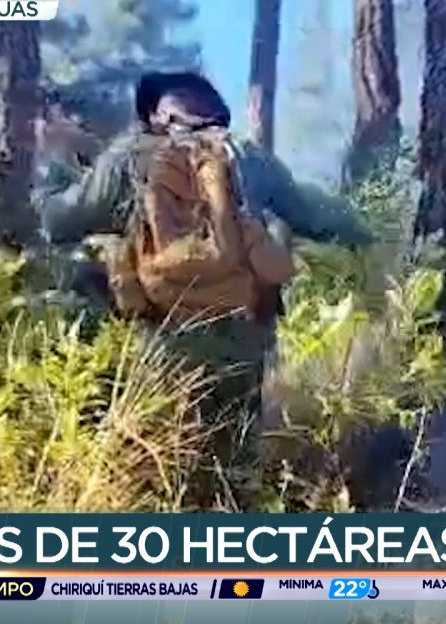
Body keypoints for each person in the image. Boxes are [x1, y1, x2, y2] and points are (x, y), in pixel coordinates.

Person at [38, 72, 370, 510]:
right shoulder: (247, 155)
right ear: (215, 113)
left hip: (164, 346)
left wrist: (55, 169)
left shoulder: (128, 157)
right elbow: (317, 215)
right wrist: (369, 233)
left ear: (158, 115)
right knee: (232, 472)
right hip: (243, 344)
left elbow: (58, 222)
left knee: (158, 473)